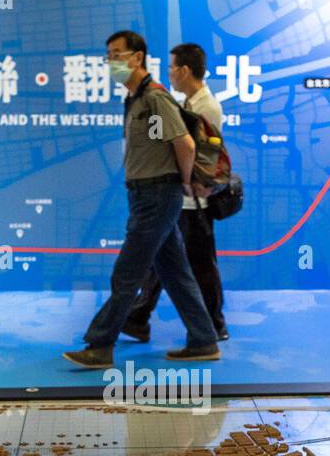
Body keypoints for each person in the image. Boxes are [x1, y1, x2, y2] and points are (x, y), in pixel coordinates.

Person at [63, 30, 219, 368]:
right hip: (146, 195)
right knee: (176, 273)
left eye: (117, 54)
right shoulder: (134, 99)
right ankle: (204, 339)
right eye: (108, 55)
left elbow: (185, 145)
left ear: (137, 58)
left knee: (127, 273)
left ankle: (100, 345)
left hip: (157, 195)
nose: (111, 62)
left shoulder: (155, 98)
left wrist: (183, 181)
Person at [120, 43, 229, 343]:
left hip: (196, 200)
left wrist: (186, 180)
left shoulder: (206, 107)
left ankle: (214, 324)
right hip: (183, 198)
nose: (168, 73)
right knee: (163, 262)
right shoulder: (189, 103)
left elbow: (204, 153)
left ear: (184, 70)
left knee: (199, 266)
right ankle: (138, 317)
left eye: (171, 67)